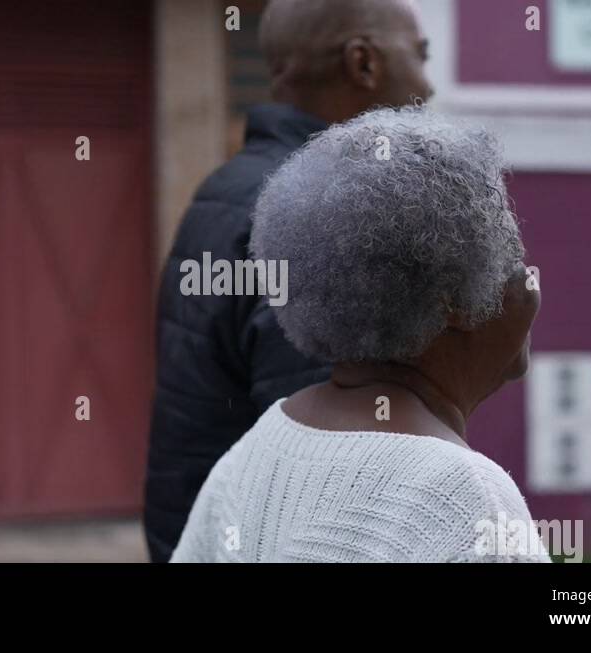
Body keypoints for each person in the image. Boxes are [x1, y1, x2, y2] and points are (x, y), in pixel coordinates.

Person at [171, 107, 550, 563]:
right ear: (453, 303)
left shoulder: (252, 454)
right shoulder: (467, 502)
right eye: (512, 254)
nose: (529, 277)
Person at [145, 0, 435, 564]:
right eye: (421, 55)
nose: (429, 83)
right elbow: (332, 477)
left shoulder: (227, 188)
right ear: (363, 63)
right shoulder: (328, 210)